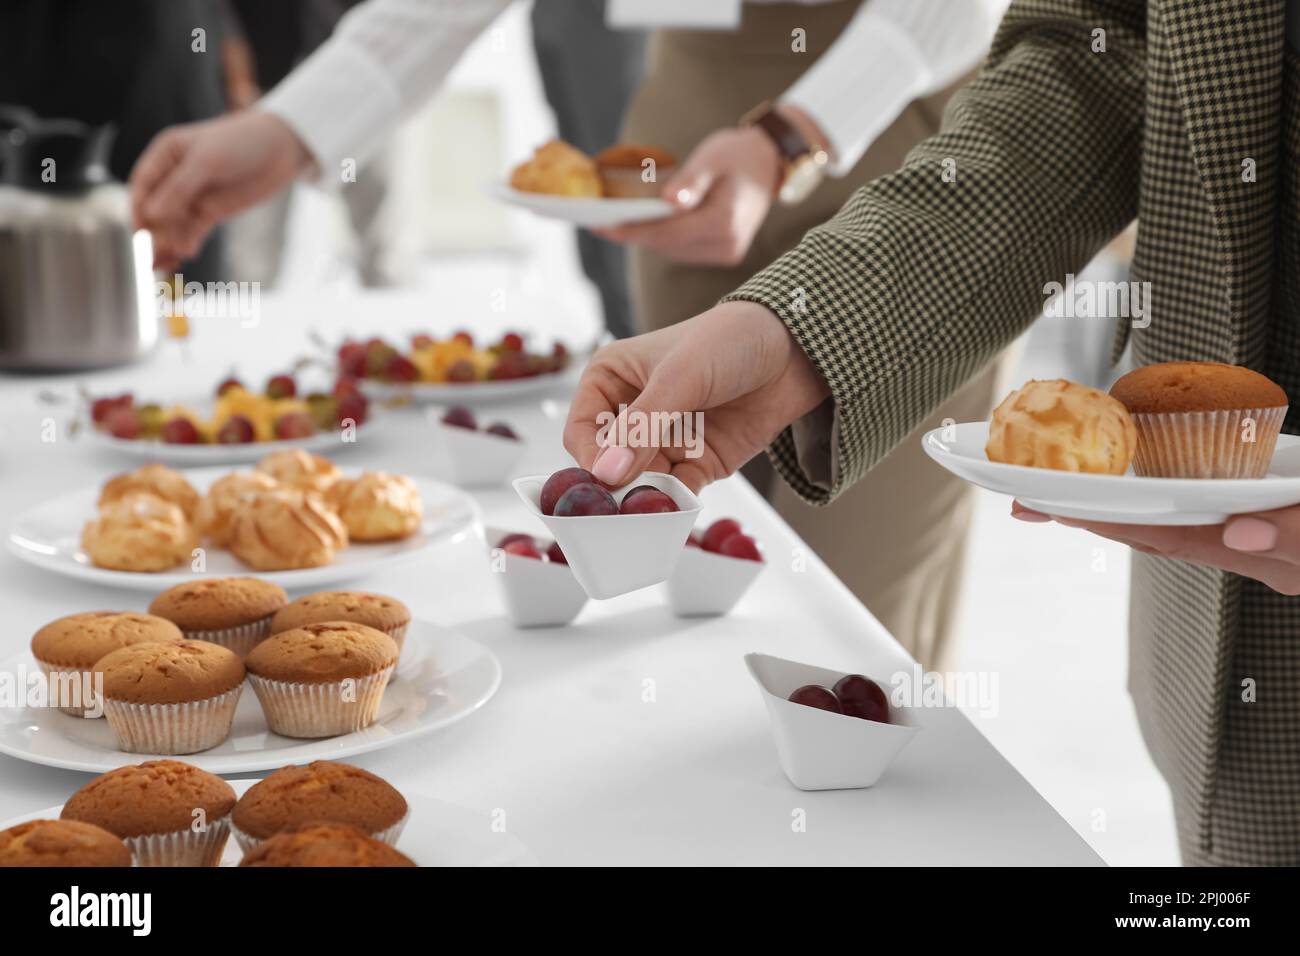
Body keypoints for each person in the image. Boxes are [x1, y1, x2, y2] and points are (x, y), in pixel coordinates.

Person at [563, 0, 1300, 866]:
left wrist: (795, 135)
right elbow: (1103, 53)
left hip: (893, 116)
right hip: (1238, 641)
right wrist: (805, 329)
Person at [128, 0, 1001, 671]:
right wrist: (290, 128)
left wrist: (794, 133)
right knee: (667, 575)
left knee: (862, 614)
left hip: (910, 113)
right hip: (692, 115)